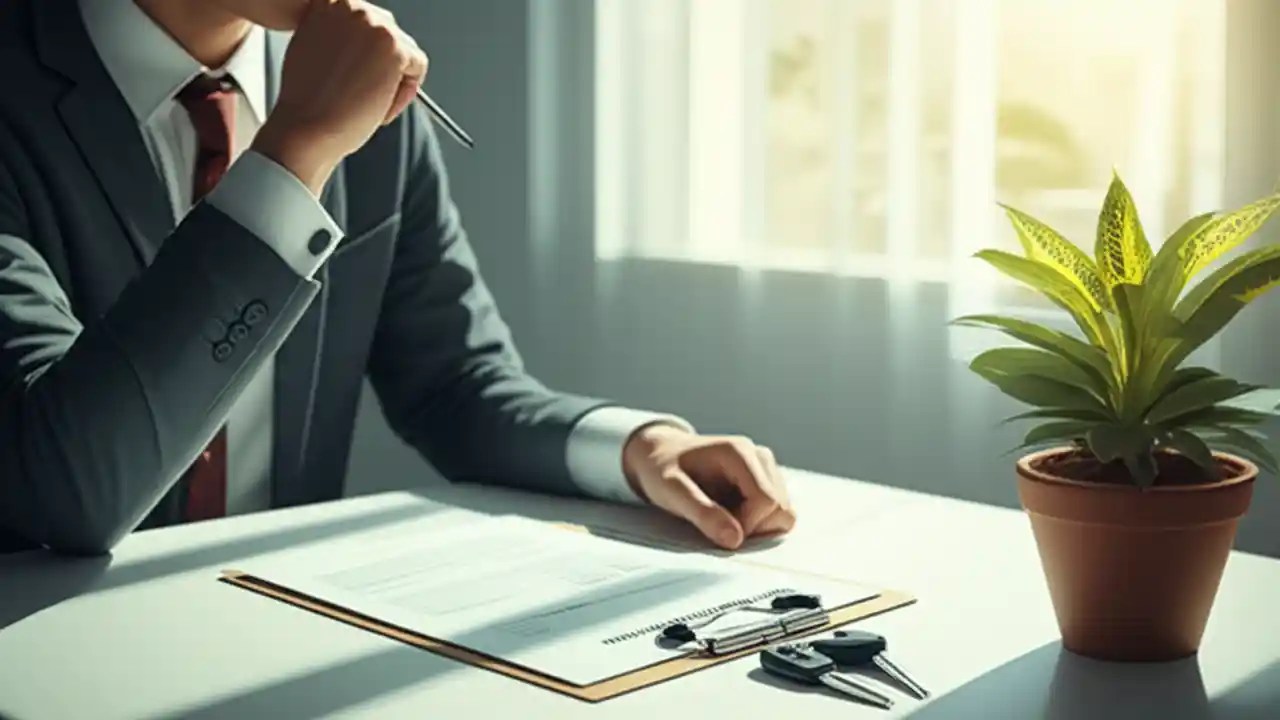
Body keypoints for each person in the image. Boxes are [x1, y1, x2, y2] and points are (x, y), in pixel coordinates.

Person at [0, 0, 796, 555]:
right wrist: (292, 156)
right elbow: (65, 489)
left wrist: (635, 449)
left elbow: (453, 383)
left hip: (261, 635)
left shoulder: (362, 95)